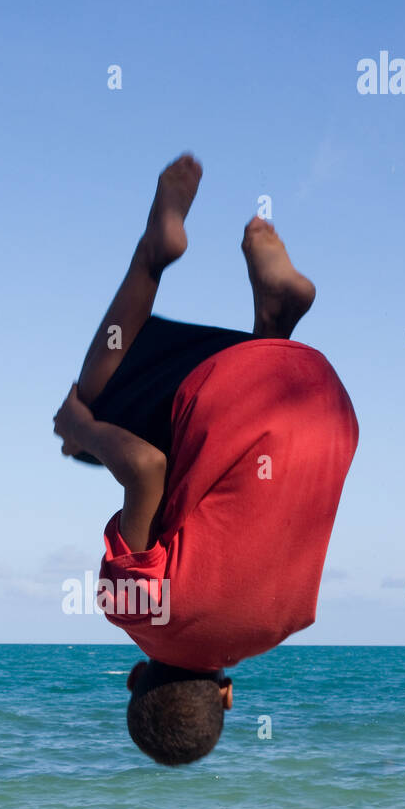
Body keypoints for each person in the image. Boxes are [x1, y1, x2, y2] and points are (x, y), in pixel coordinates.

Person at [54, 155, 359, 766]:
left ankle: (276, 321)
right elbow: (143, 468)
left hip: (325, 400)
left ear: (225, 695)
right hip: (236, 391)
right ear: (133, 679)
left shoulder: (285, 624)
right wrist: (81, 428)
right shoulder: (134, 609)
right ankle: (154, 250)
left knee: (199, 473)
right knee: (94, 407)